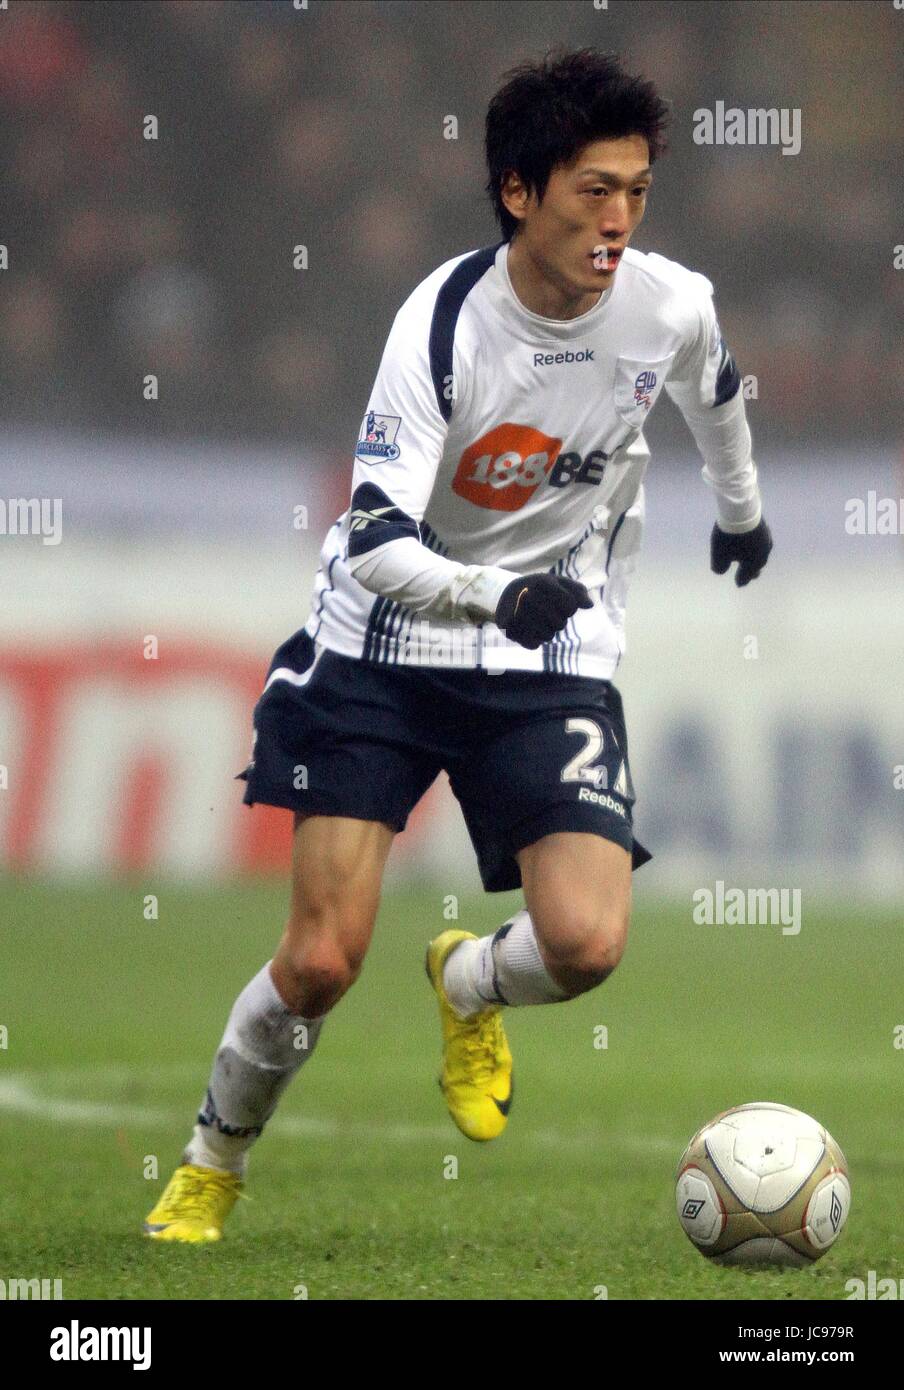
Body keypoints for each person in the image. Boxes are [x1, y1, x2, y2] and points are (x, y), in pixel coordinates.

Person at [144, 47, 771, 1242]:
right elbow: (376, 539)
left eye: (637, 190)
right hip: (384, 645)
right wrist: (492, 595)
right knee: (322, 959)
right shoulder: (440, 328)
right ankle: (211, 1159)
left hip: (546, 656)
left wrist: (741, 511)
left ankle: (467, 979)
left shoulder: (667, 302)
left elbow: (719, 393)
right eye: (593, 190)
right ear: (518, 192)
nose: (618, 221)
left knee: (586, 943)